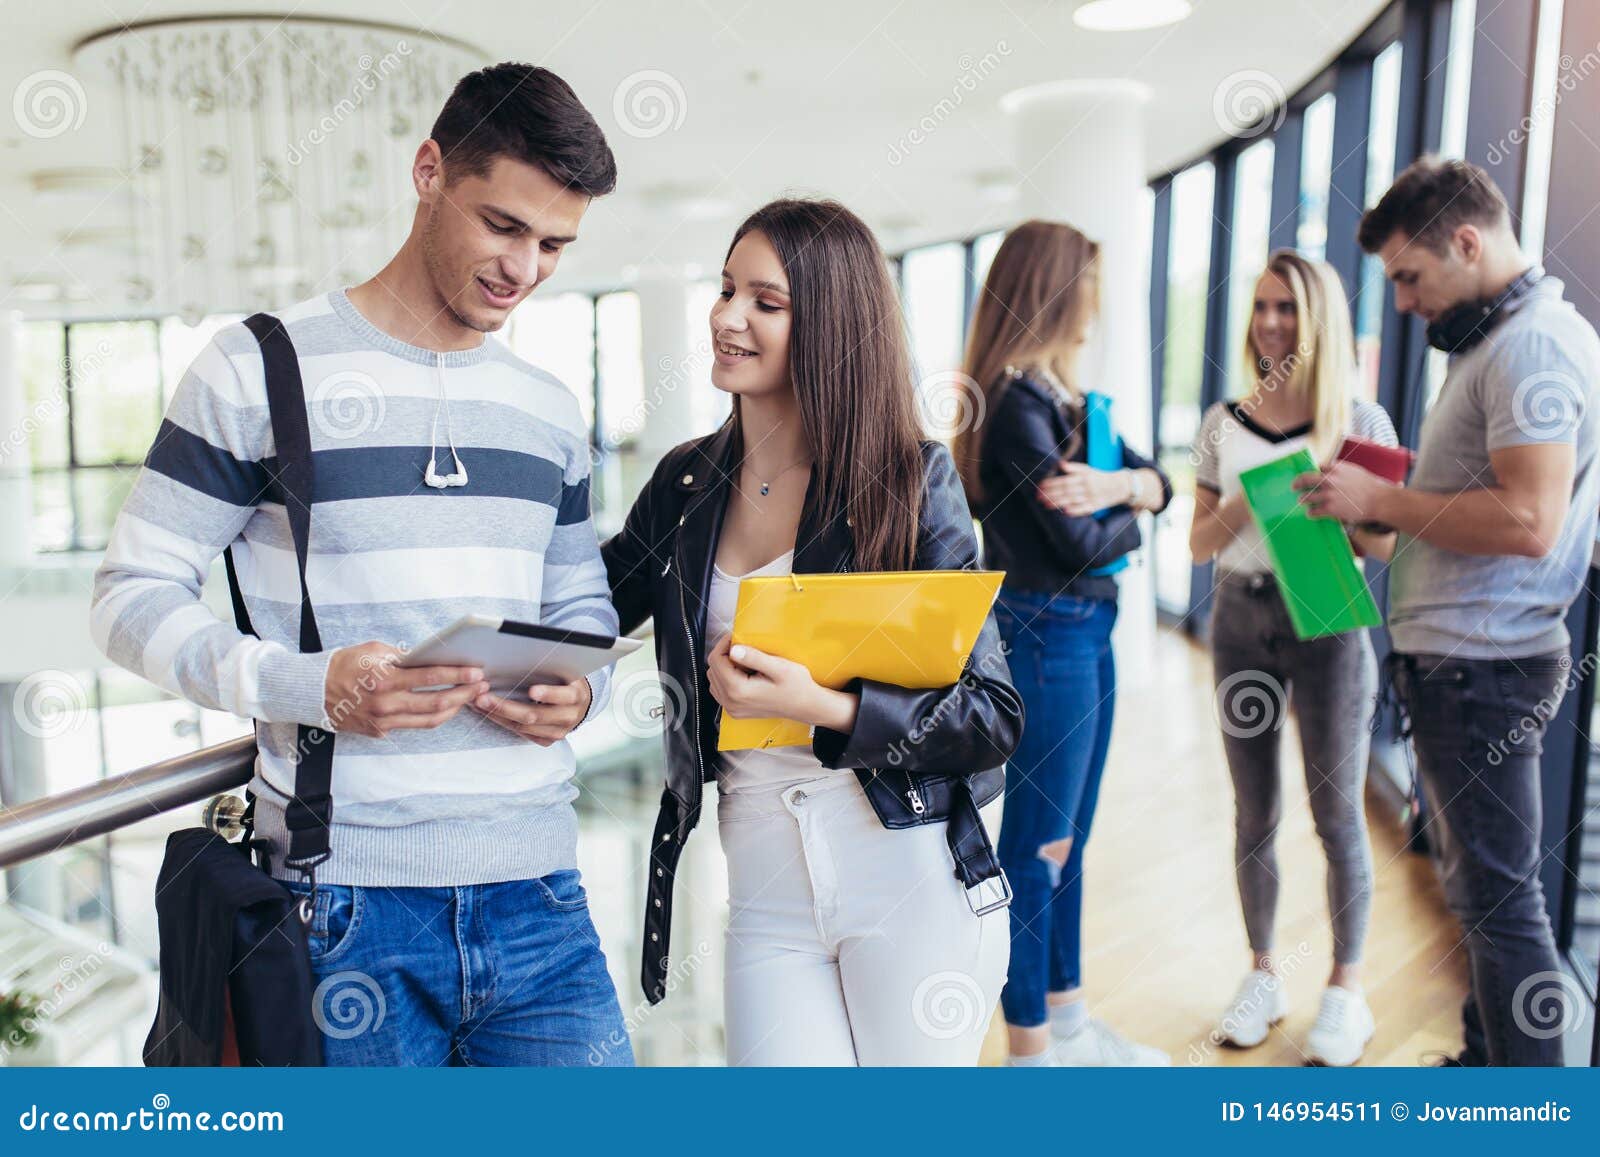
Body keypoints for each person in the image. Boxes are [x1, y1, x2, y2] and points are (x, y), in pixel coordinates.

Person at [91, 64, 634, 1066]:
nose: (526, 267)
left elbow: (578, 596)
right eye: (503, 226)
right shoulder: (254, 367)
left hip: (543, 900)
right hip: (343, 908)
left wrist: (577, 687)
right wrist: (306, 686)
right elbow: (129, 597)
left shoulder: (549, 406)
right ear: (428, 170)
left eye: (555, 243)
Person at [602, 198, 1022, 1066]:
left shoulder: (908, 480)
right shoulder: (685, 482)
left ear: (829, 324)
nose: (726, 317)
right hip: (763, 883)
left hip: (908, 872)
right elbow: (585, 603)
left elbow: (991, 716)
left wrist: (823, 705)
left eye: (765, 300)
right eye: (725, 290)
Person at [1301, 156, 1600, 1066]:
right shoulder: (1496, 342)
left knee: (1503, 905)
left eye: (1408, 276)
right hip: (1464, 665)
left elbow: (1529, 519)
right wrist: (1369, 514)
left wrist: (1381, 503)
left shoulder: (1534, 346)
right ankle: (1486, 1063)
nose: (1400, 301)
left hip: (1486, 671)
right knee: (1482, 898)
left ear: (1466, 242)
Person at [954, 220, 1172, 1066]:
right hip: (1047, 633)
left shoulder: (1063, 397)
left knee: (1065, 838)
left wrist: (1125, 486)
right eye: (1090, 282)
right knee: (1035, 848)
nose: (1099, 302)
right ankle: (1032, 1053)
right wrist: (1138, 503)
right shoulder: (1016, 406)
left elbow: (1159, 479)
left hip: (1085, 628)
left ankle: (1071, 1021)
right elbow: (1081, 544)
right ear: (1058, 291)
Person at [1189, 250, 1397, 1065]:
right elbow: (1202, 541)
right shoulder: (1223, 421)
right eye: (1262, 306)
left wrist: (1340, 508)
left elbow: (1380, 544)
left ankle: (1346, 990)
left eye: (1288, 308)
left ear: (1319, 322)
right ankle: (1263, 973)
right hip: (1241, 618)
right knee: (1255, 811)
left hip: (1329, 624)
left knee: (1337, 814)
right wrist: (1247, 496)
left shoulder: (1360, 420)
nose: (1271, 322)